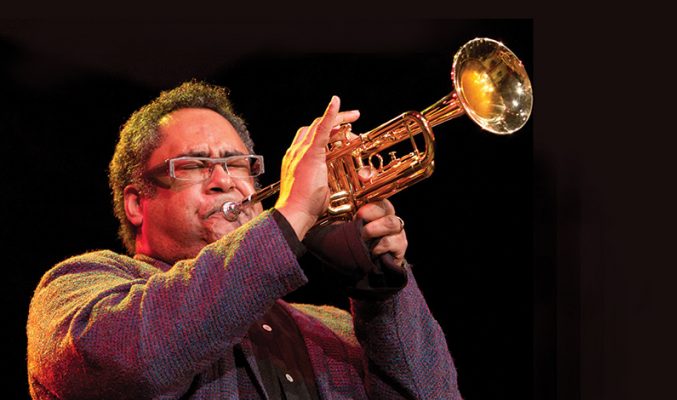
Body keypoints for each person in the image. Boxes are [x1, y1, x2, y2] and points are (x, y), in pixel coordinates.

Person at [26, 81, 461, 399]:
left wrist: (379, 292)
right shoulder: (79, 287)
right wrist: (291, 218)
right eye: (195, 164)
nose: (224, 182)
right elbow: (133, 362)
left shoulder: (337, 328)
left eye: (238, 165)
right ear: (138, 203)